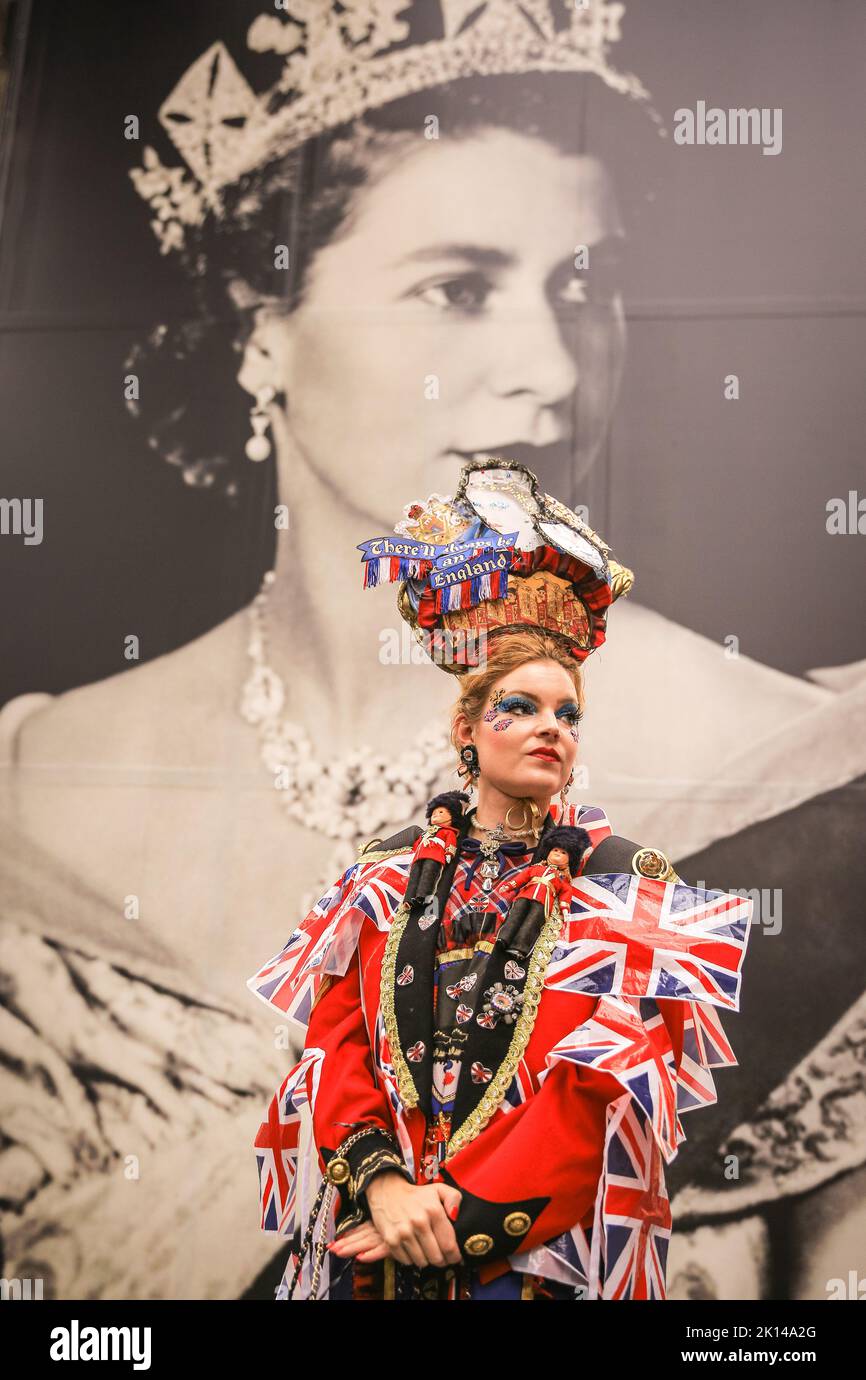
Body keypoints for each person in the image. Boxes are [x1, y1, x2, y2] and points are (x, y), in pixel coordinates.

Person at [3, 1, 864, 1299]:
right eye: (455, 288)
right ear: (261, 336)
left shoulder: (800, 786)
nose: (551, 369)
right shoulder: (32, 781)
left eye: (583, 285)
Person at [248, 460, 754, 1299]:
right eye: (520, 706)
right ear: (467, 730)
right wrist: (382, 1187)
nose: (551, 728)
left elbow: (595, 1093)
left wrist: (454, 1219)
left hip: (527, 1263)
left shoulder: (624, 885)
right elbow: (334, 1047)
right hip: (373, 1237)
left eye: (569, 714)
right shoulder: (388, 873)